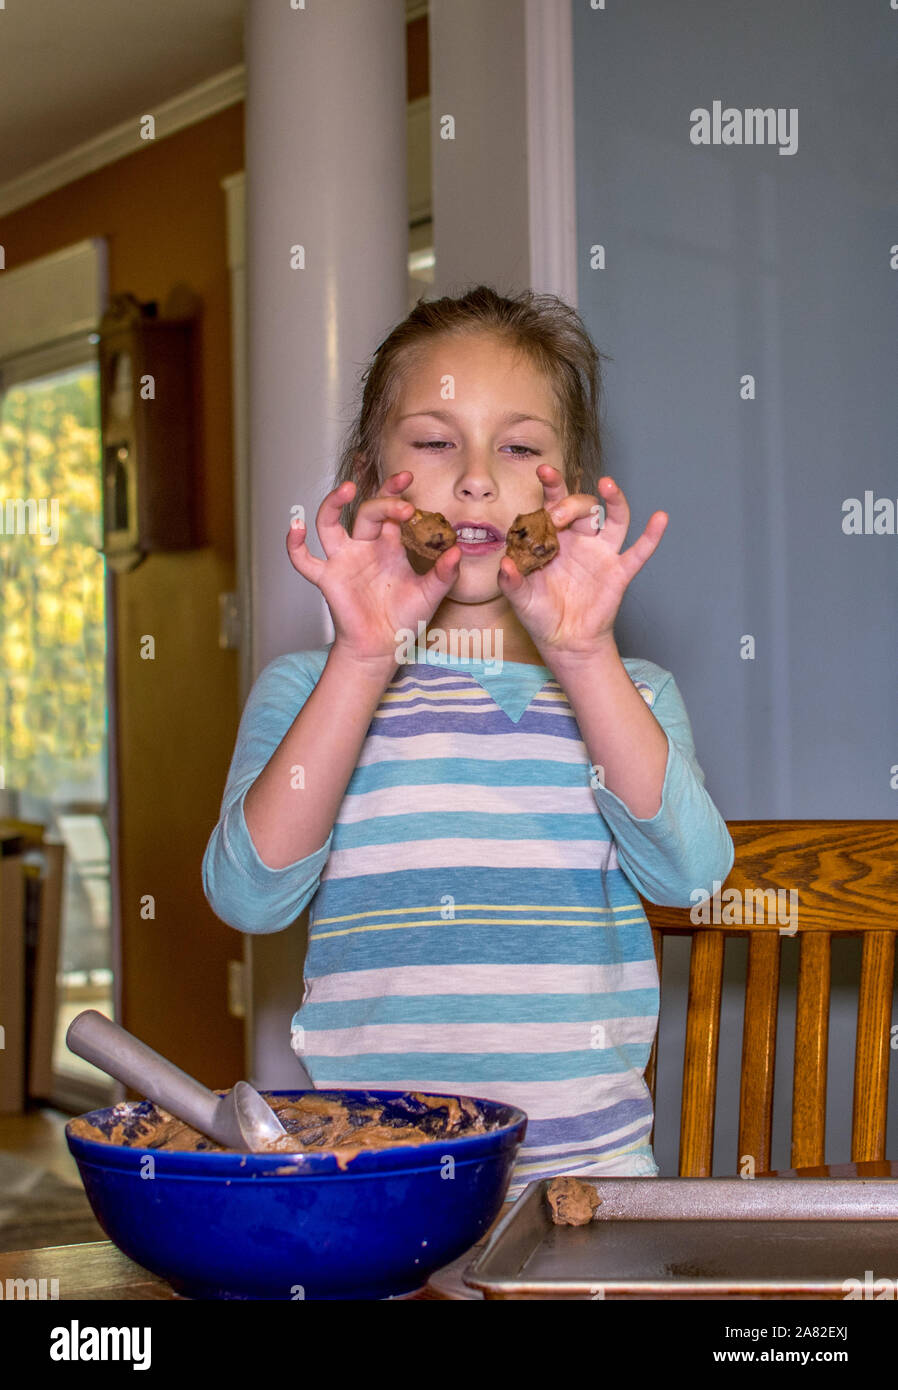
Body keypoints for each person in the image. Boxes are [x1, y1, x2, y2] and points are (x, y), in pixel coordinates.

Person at [202, 284, 734, 1202]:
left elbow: (694, 881)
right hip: (373, 1182)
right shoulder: (310, 694)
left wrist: (584, 656)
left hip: (586, 1187)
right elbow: (249, 896)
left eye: (520, 446)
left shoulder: (627, 693)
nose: (478, 476)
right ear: (373, 476)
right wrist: (364, 661)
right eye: (437, 441)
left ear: (566, 487)